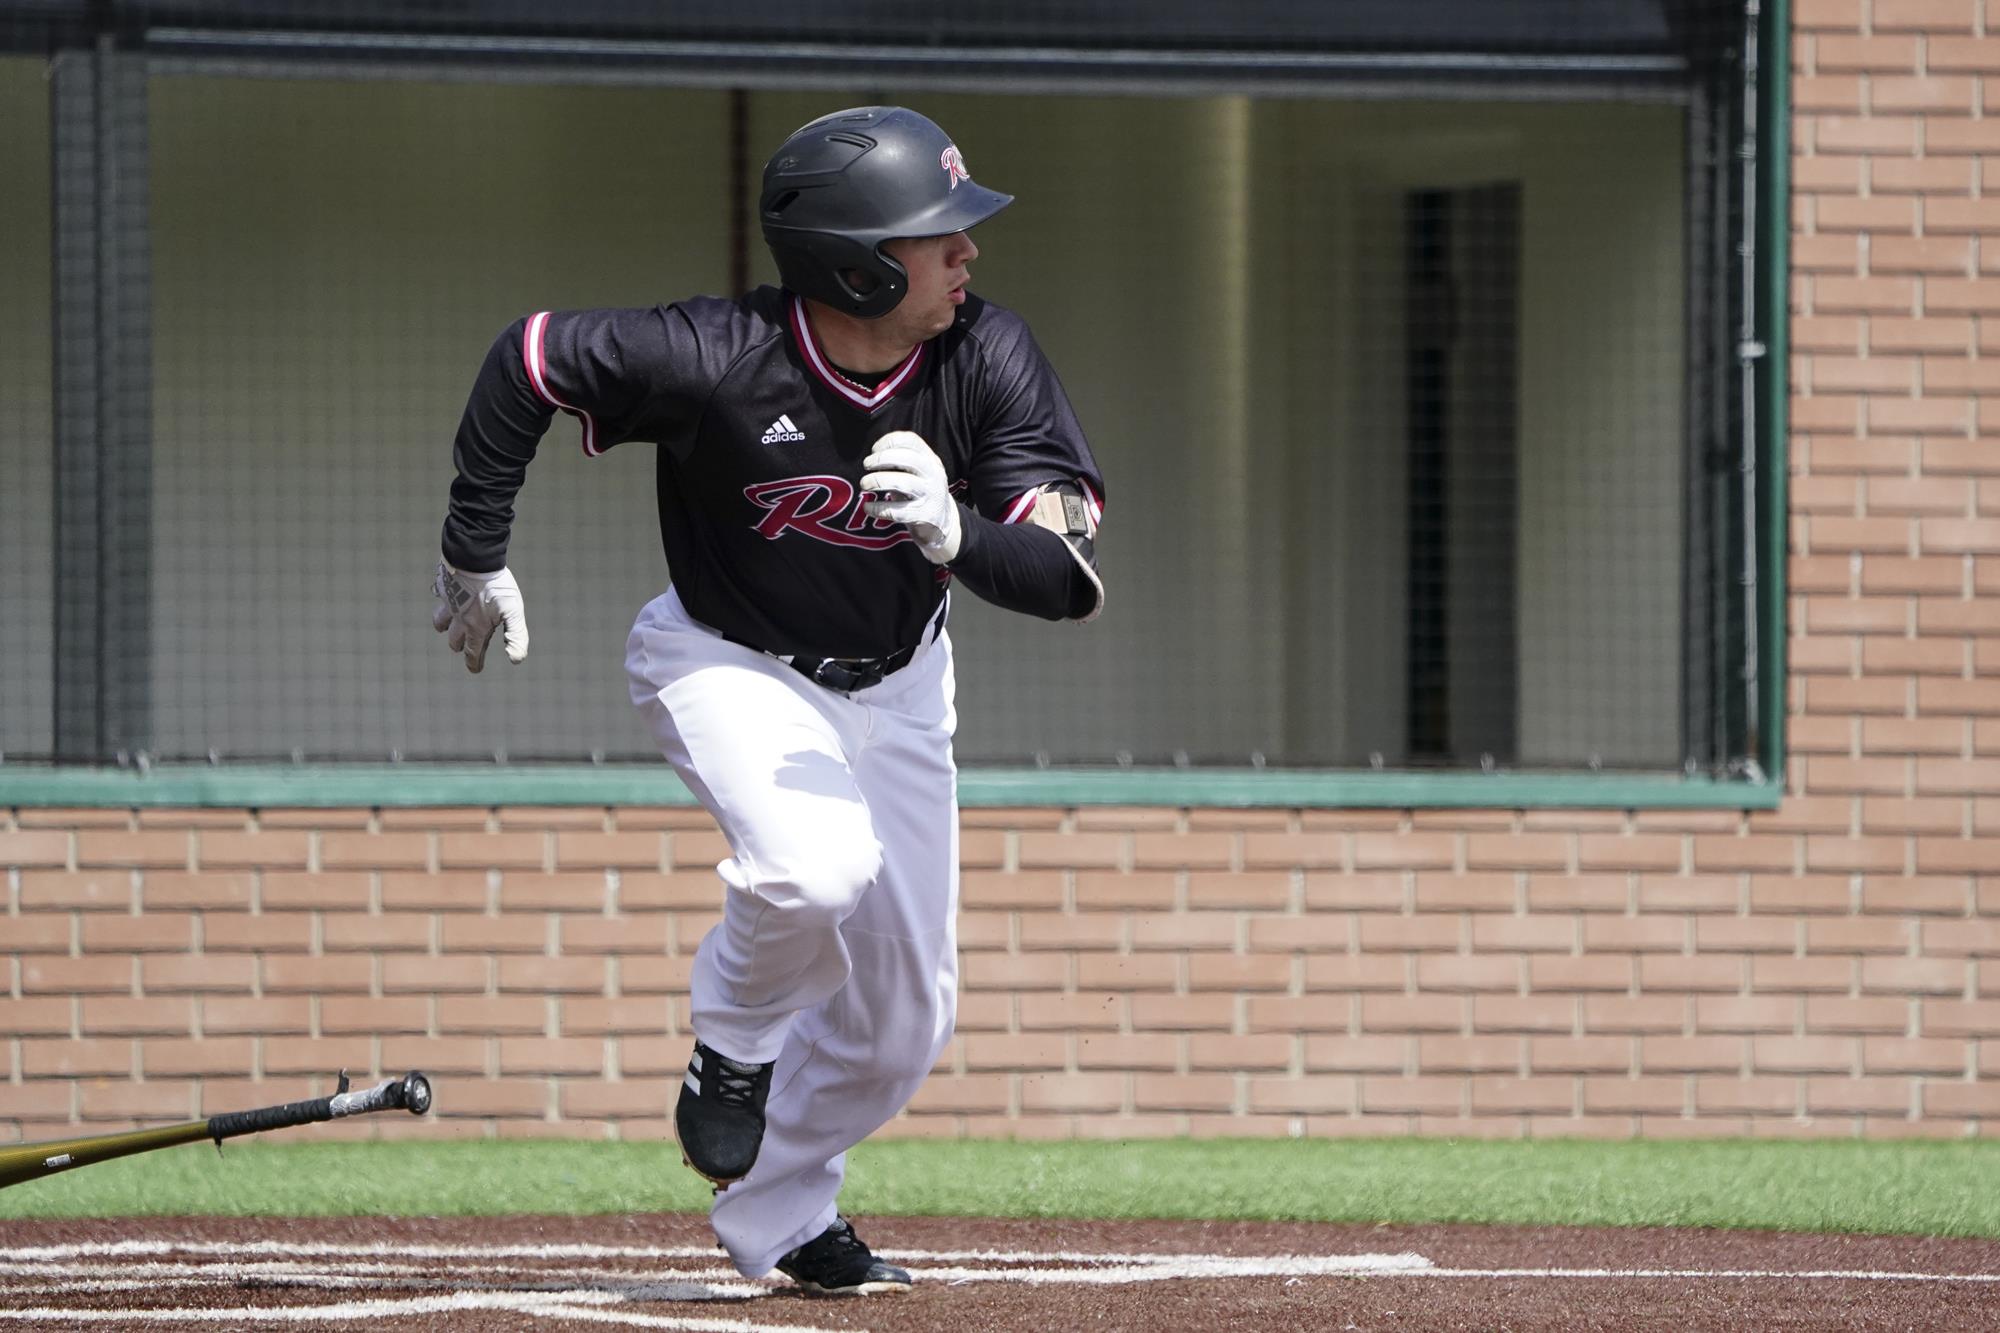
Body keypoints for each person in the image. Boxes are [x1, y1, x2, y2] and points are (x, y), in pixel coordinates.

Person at [428, 105, 1105, 1296]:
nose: (966, 253)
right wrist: (473, 552)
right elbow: (525, 359)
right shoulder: (709, 349)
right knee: (812, 865)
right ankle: (732, 1046)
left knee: (904, 1026)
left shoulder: (986, 355)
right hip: (722, 658)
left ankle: (778, 1212)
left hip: (901, 688)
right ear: (854, 261)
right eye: (935, 233)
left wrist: (959, 533)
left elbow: (1065, 581)